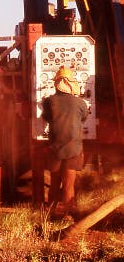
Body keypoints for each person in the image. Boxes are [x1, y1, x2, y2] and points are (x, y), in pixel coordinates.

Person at [42, 65, 88, 215]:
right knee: (69, 186)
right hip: (73, 149)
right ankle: (67, 216)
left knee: (54, 184)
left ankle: (49, 216)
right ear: (71, 84)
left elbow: (46, 117)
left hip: (55, 149)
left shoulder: (49, 101)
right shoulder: (80, 103)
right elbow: (84, 118)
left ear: (57, 84)